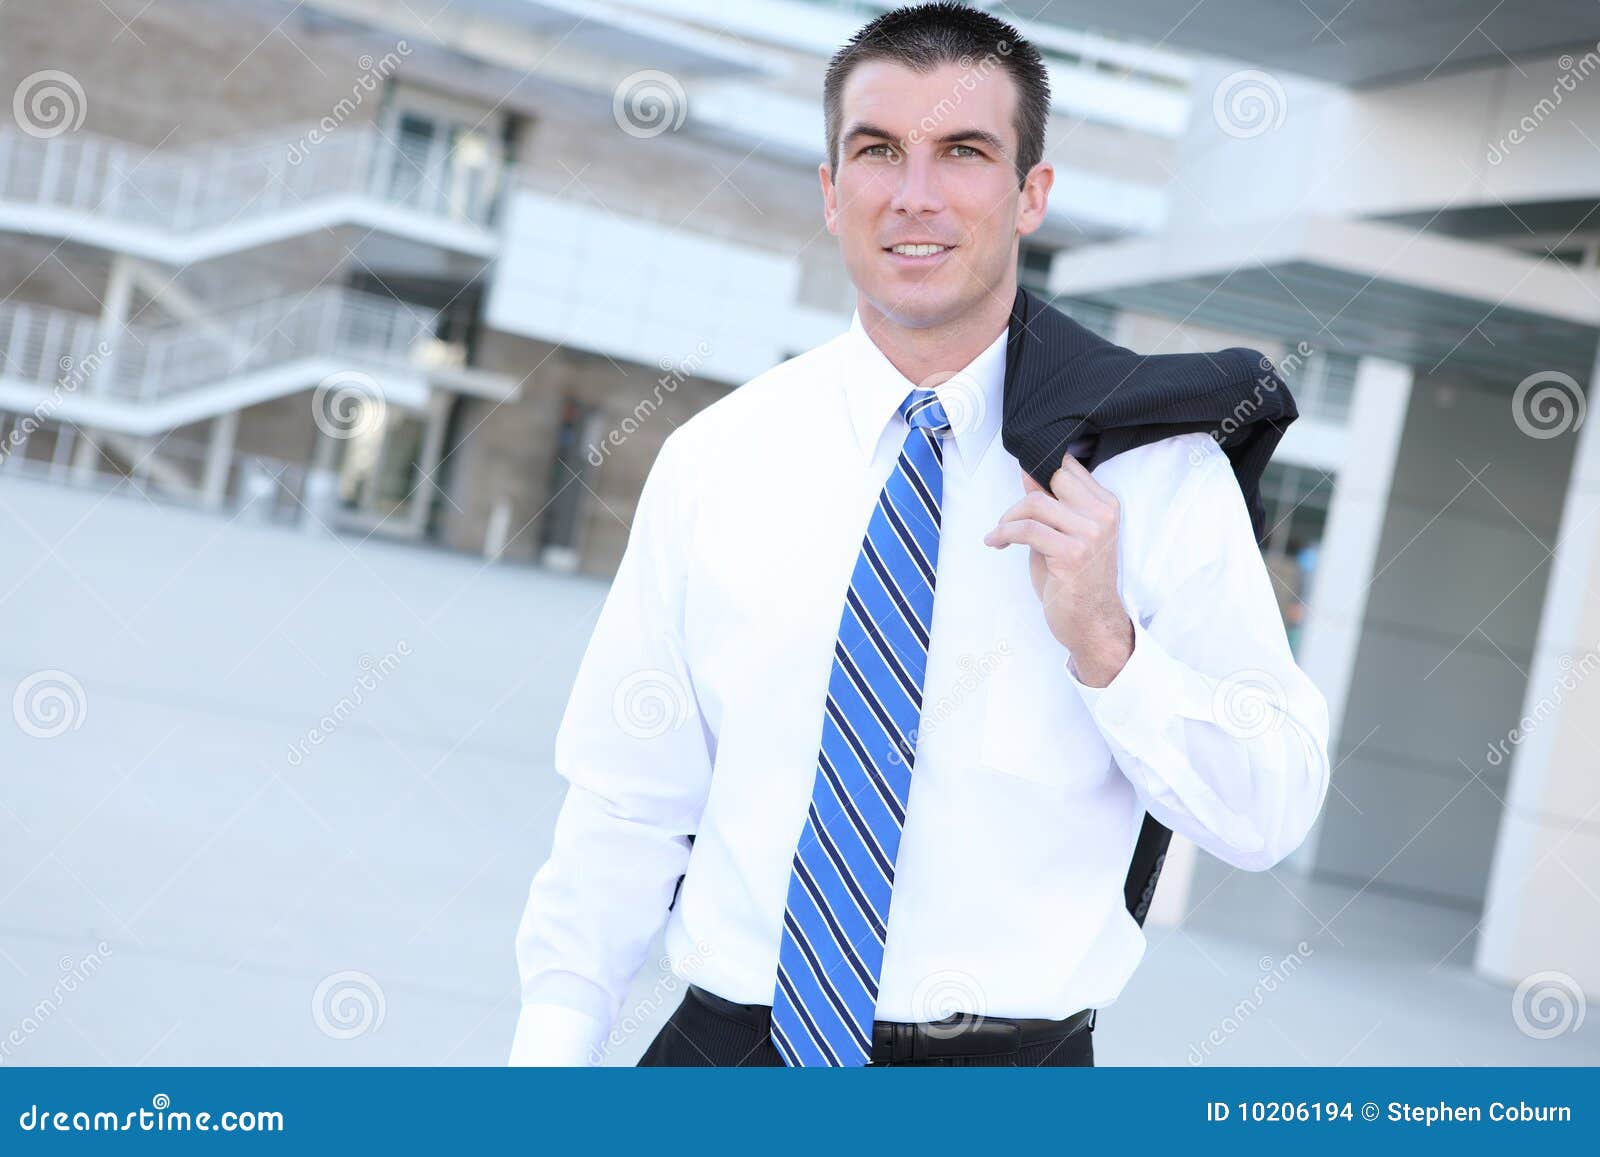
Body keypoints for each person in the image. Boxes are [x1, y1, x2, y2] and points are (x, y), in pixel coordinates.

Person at [510, 1, 1331, 1068]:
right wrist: (550, 1056)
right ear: (829, 189)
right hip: (729, 1053)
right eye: (878, 151)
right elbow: (627, 802)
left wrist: (1108, 647)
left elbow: (1269, 812)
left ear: (1032, 193)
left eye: (964, 153)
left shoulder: (1154, 472)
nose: (915, 194)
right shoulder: (717, 461)